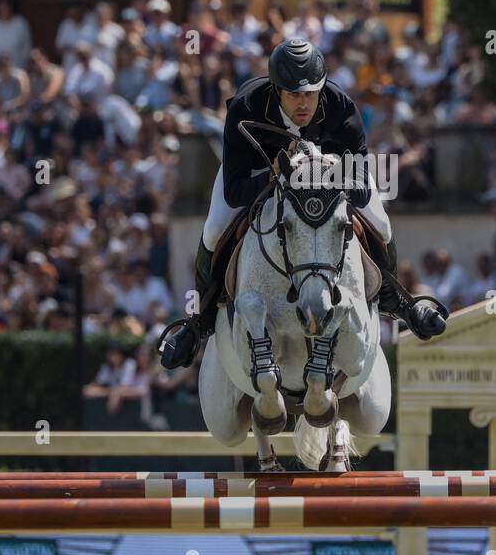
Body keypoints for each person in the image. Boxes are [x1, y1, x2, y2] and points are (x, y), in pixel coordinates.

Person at [158, 39, 446, 369]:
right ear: (276, 89)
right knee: (212, 231)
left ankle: (398, 302)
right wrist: (273, 175)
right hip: (258, 170)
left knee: (380, 222)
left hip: (327, 175)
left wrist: (320, 169)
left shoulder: (339, 105)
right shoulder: (245, 107)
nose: (304, 103)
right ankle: (199, 323)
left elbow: (360, 189)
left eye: (311, 93)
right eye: (294, 94)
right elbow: (236, 191)